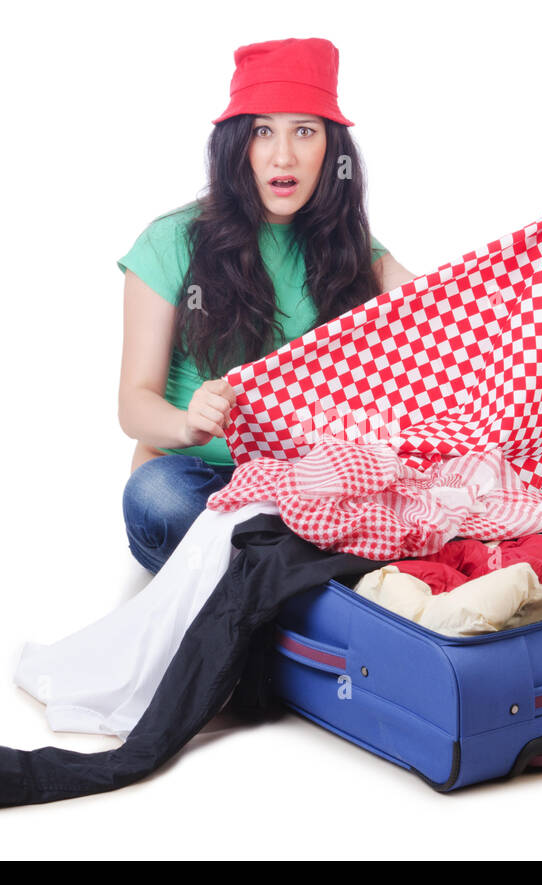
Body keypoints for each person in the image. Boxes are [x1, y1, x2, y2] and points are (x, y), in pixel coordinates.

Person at [117, 37, 419, 573]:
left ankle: (278, 566)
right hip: (199, 485)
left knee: (421, 481)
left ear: (332, 148)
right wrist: (190, 424)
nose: (284, 155)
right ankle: (305, 566)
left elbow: (446, 307)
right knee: (159, 499)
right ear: (238, 145)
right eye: (263, 131)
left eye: (305, 130)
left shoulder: (352, 247)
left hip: (308, 485)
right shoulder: (169, 242)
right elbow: (133, 406)